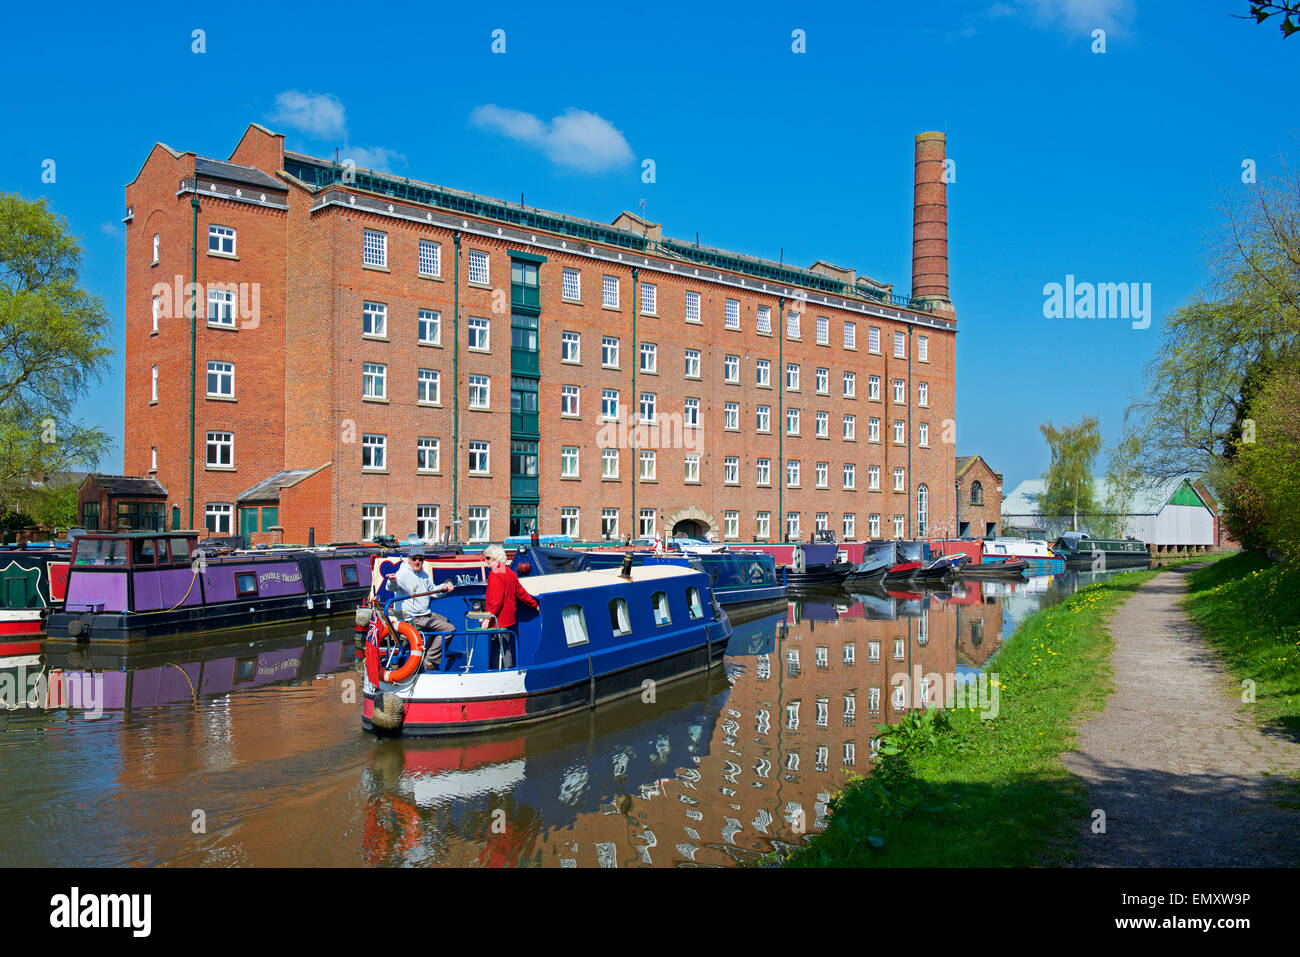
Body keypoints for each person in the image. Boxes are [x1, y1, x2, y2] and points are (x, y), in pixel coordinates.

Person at [387, 545, 455, 668]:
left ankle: (426, 653)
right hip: (413, 617)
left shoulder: (423, 574)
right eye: (414, 559)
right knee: (449, 629)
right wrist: (391, 581)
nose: (417, 562)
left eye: (420, 559)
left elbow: (433, 591)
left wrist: (444, 587)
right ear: (409, 559)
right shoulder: (403, 573)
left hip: (424, 614)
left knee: (445, 621)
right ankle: (430, 659)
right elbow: (392, 587)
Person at [482, 544, 538, 668]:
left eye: (488, 558)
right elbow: (521, 593)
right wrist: (535, 605)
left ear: (496, 558)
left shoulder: (495, 575)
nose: (485, 561)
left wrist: (487, 618)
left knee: (498, 648)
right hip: (509, 619)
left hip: (498, 620)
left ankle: (500, 672)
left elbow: (495, 601)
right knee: (506, 648)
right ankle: (508, 669)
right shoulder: (510, 573)